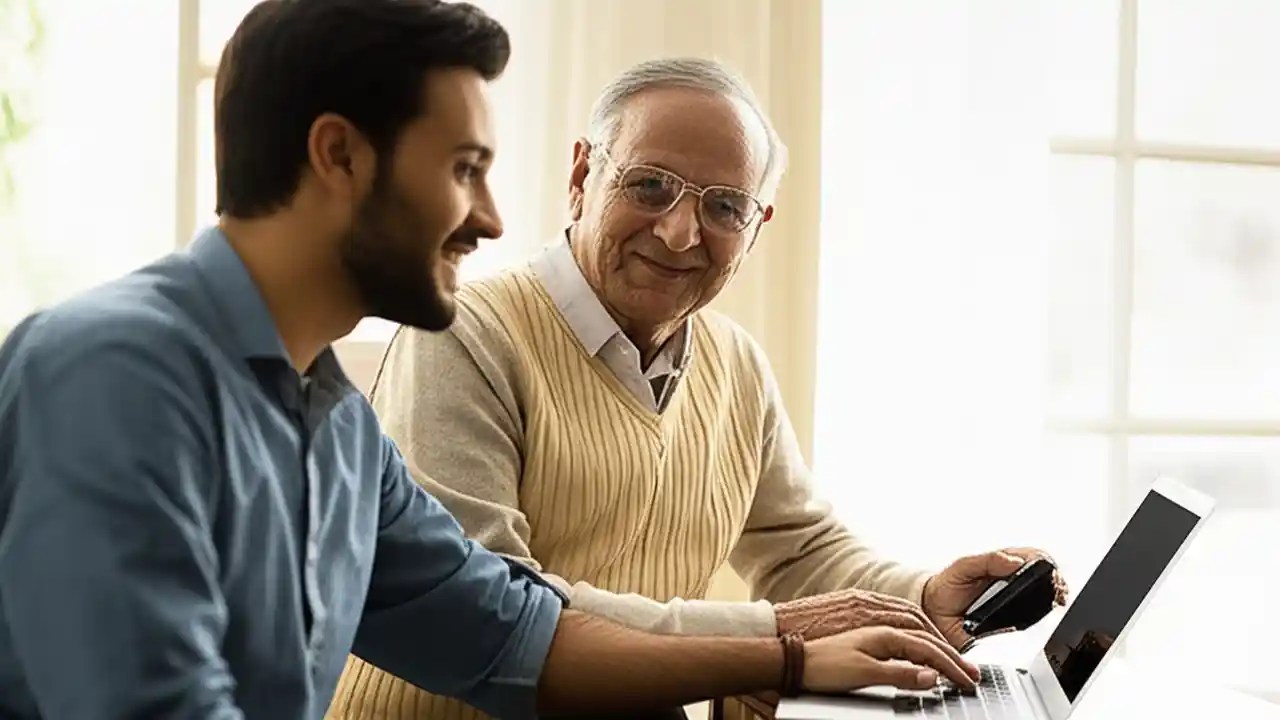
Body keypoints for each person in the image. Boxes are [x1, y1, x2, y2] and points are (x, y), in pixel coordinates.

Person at [0, 2, 985, 719]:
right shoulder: (114, 373)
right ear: (337, 156)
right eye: (463, 169)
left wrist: (782, 658)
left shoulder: (335, 426)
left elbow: (515, 634)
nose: (491, 217)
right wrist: (773, 648)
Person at [334, 56, 1070, 719]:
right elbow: (500, 610)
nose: (682, 232)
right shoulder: (464, 335)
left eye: (724, 207)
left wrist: (918, 597)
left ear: (756, 228)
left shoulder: (733, 361)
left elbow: (798, 550)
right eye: (650, 186)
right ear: (582, 176)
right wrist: (779, 638)